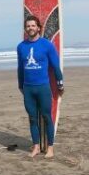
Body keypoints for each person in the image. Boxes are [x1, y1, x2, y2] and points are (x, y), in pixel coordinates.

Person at [17, 15, 64, 159]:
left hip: (43, 87)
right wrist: (20, 85)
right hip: (28, 88)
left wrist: (60, 82)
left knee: (46, 117)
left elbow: (55, 65)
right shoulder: (21, 47)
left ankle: (50, 148)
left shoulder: (47, 45)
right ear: (25, 29)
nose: (30, 28)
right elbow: (20, 68)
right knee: (32, 118)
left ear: (38, 28)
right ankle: (36, 146)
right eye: (28, 26)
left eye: (33, 25)